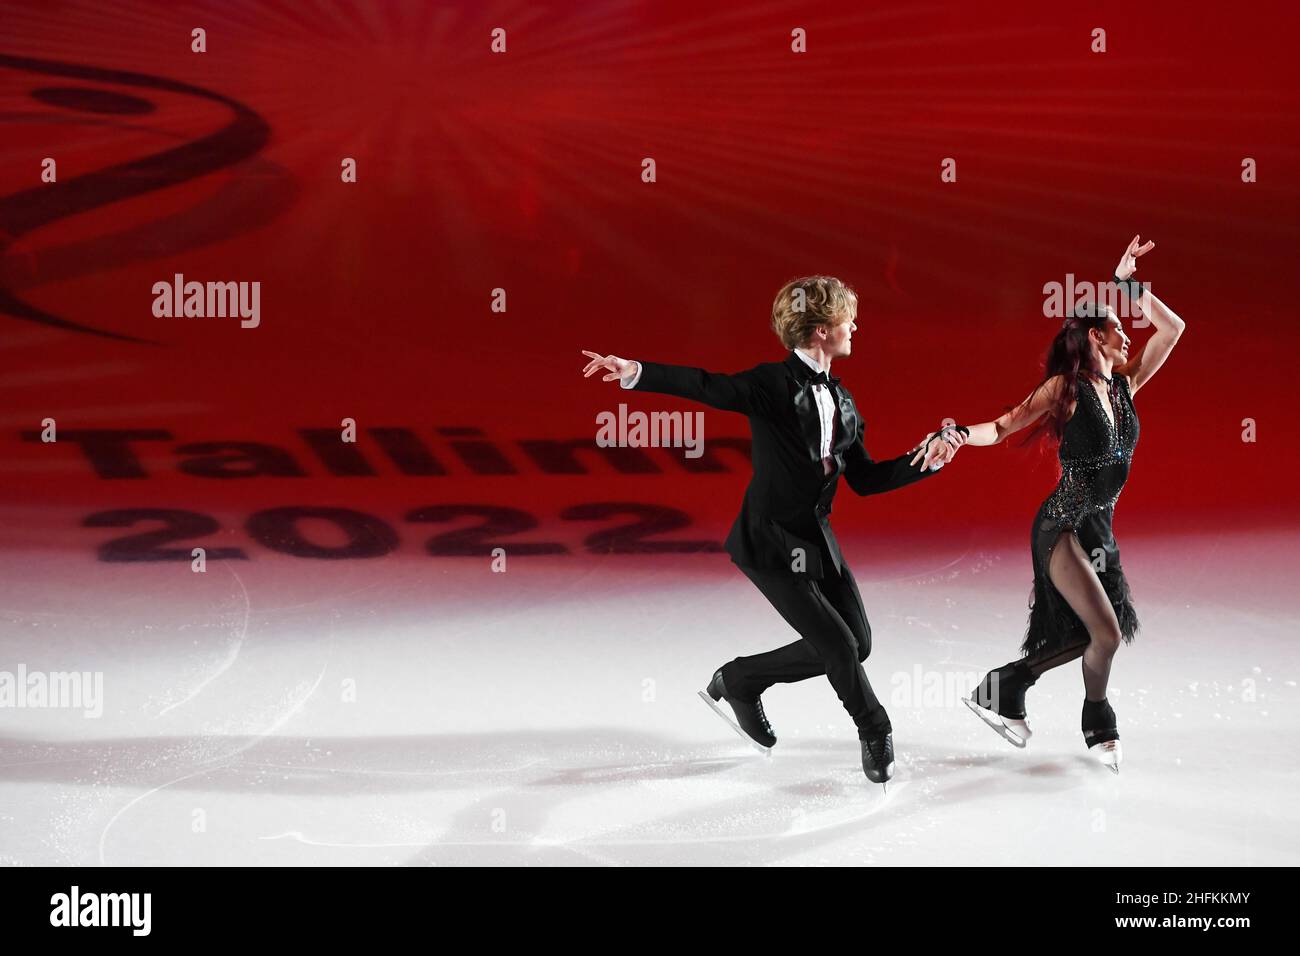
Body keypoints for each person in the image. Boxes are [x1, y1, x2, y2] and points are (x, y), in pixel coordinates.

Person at [581, 276, 962, 788]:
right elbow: (707, 385)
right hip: (769, 540)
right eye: (849, 318)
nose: (857, 326)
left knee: (856, 644)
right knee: (838, 646)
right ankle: (875, 727)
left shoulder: (844, 400)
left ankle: (740, 680)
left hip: (816, 537)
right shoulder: (771, 385)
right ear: (823, 330)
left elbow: (867, 481)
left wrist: (927, 462)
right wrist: (636, 373)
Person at [946, 236, 1185, 772]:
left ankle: (1004, 687)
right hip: (1063, 527)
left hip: (1100, 529)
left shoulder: (1125, 386)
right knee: (1107, 633)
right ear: (1097, 336)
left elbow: (1174, 330)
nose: (1130, 334)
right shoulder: (1066, 388)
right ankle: (1096, 716)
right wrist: (959, 434)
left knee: (1093, 631)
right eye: (1119, 327)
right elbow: (1005, 424)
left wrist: (1127, 285)